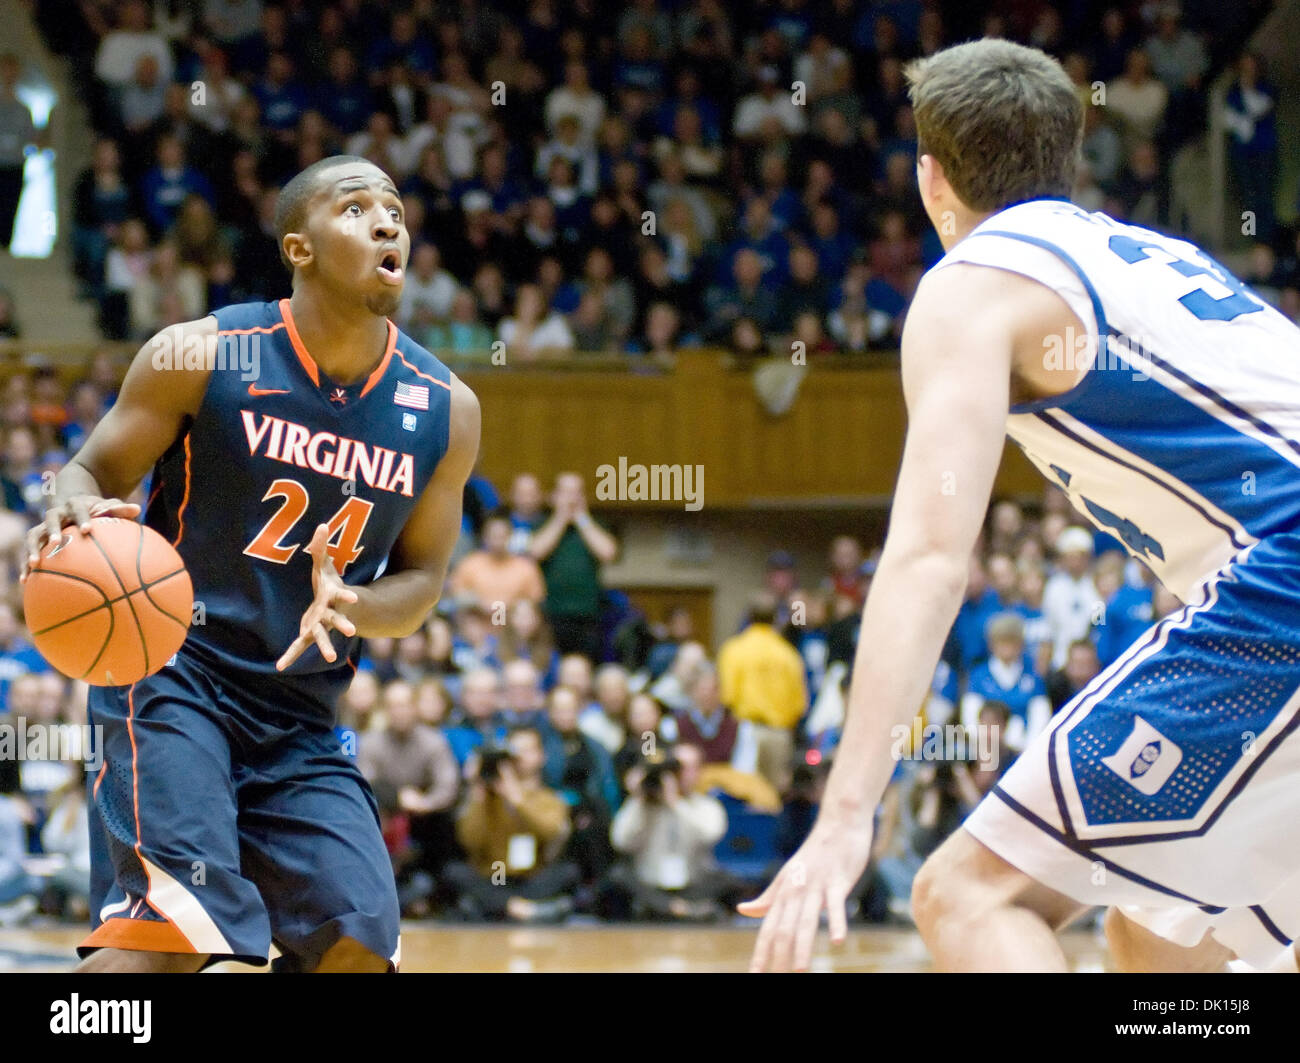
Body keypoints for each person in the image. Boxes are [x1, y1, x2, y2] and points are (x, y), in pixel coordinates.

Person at [745, 39, 1300, 975]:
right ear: (1068, 156)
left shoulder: (976, 284)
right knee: (1154, 925)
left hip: (1280, 578)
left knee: (966, 894)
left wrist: (845, 816)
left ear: (931, 179)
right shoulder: (1151, 253)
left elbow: (928, 556)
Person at [25, 155, 480, 972]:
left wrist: (354, 603)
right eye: (357, 208)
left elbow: (423, 583)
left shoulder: (445, 407)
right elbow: (89, 470)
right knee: (175, 936)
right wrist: (70, 502)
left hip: (302, 714)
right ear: (299, 247)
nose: (388, 224)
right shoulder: (199, 354)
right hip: (174, 677)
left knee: (359, 941)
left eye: (397, 212)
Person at [444, 726, 578, 923]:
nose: (520, 757)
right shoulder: (486, 798)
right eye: (515, 751)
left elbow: (552, 832)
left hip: (531, 877)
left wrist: (518, 800)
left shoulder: (549, 799)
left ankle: (499, 908)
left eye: (527, 750)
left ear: (541, 756)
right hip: (495, 877)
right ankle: (524, 909)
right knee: (454, 872)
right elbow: (470, 841)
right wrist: (477, 790)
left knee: (569, 872)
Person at [529, 472, 619, 659]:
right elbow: (535, 552)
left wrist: (582, 518)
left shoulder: (594, 524)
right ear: (553, 497)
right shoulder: (540, 524)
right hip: (550, 613)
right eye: (565, 493)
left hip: (588, 613)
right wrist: (560, 518)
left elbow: (608, 553)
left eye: (576, 493)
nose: (571, 499)